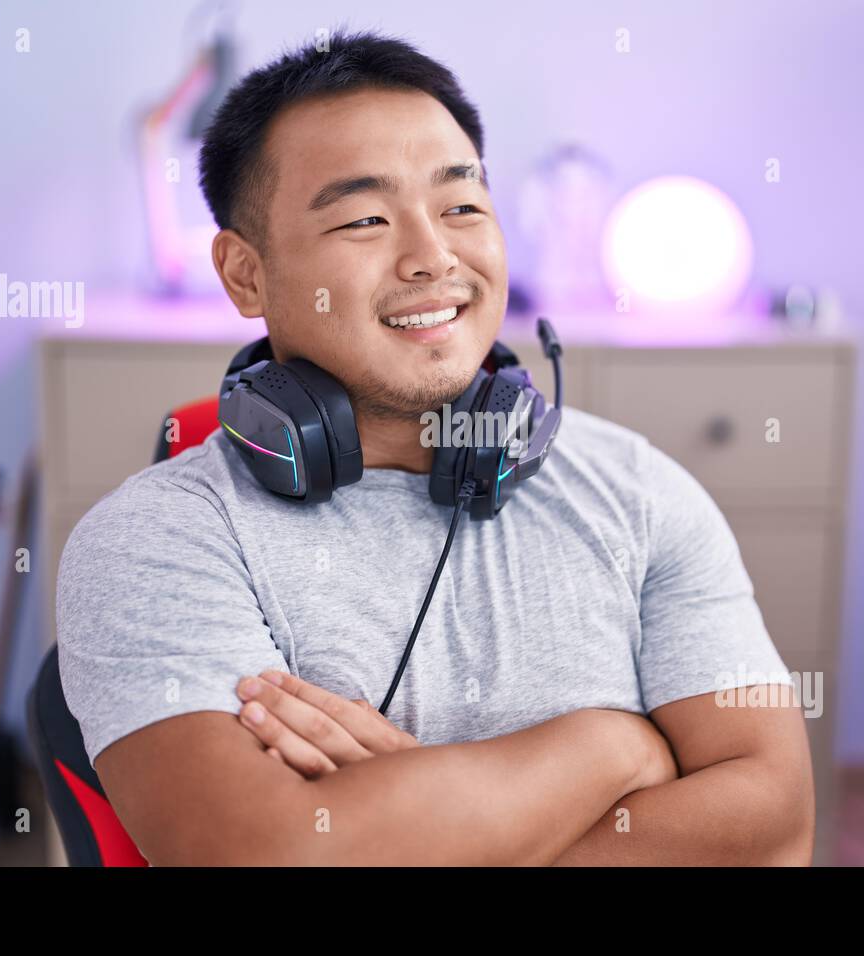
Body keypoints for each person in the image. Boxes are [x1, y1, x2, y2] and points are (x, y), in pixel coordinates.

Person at [56, 28, 813, 866]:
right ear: (245, 274)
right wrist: (614, 749)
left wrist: (430, 819)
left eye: (461, 207)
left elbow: (774, 824)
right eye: (365, 219)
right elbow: (267, 856)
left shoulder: (640, 490)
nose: (434, 257)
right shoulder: (153, 542)